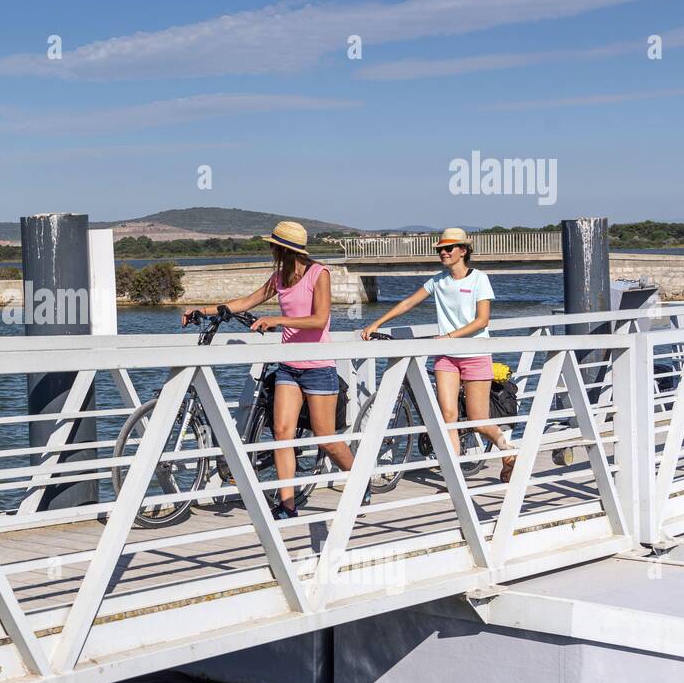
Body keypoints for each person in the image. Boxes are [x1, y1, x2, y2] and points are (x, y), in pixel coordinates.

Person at [182, 220, 364, 518]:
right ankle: (287, 504)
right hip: (289, 367)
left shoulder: (319, 274)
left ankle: (360, 481)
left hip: (318, 366)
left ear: (283, 248)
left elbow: (319, 320)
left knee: (326, 437)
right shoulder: (279, 277)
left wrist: (277, 321)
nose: (270, 250)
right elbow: (246, 301)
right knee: (281, 433)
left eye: (273, 246)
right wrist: (204, 310)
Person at [361, 227, 516, 482]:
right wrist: (377, 323)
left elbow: (482, 321)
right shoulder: (438, 281)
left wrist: (448, 337)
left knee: (478, 420)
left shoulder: (479, 279)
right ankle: (453, 475)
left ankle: (508, 452)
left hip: (475, 353)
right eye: (439, 249)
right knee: (448, 416)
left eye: (448, 248)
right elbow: (408, 303)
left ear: (463, 251)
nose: (442, 253)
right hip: (446, 357)